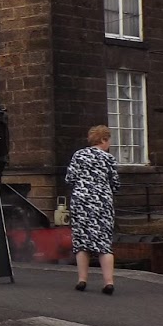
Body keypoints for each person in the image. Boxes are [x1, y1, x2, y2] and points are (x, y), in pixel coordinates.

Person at [64, 123, 120, 293]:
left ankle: (82, 280)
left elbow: (69, 178)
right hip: (102, 203)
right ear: (103, 139)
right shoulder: (108, 158)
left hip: (81, 202)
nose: (109, 143)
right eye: (108, 140)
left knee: (81, 242)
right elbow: (115, 183)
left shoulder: (79, 155)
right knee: (104, 243)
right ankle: (108, 282)